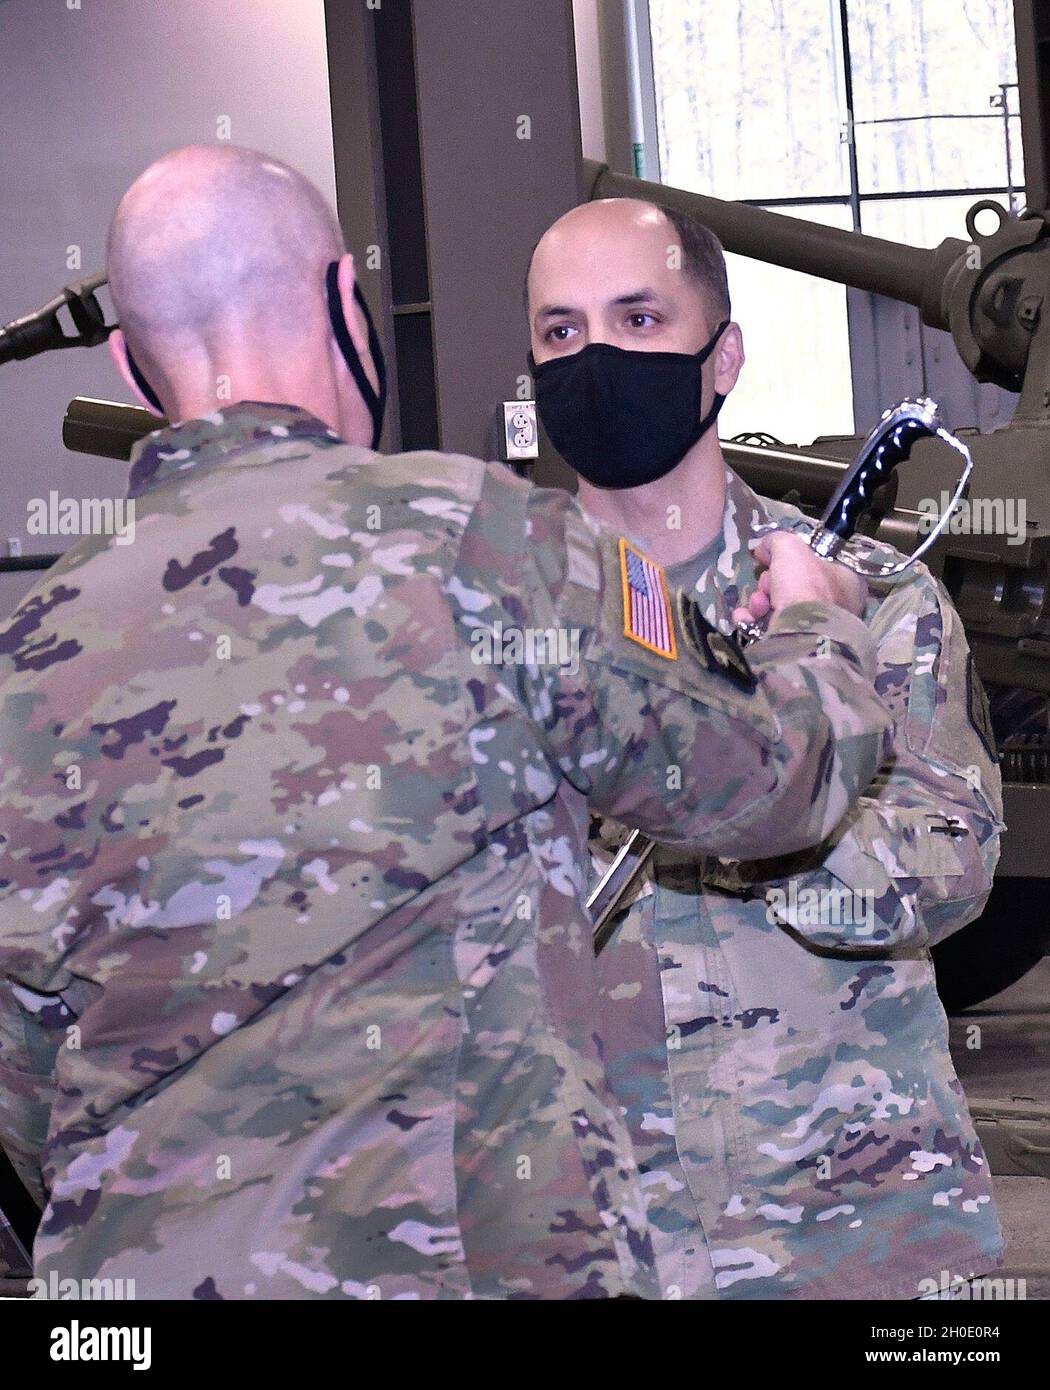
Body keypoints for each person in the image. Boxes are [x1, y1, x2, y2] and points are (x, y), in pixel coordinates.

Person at [0, 147, 890, 1300]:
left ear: (125, 366)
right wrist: (818, 630)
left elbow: (23, 1074)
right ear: (342, 304)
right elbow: (773, 780)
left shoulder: (33, 648)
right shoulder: (487, 539)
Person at [526, 196, 1005, 1301]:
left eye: (639, 320)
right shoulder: (485, 628)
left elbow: (945, 873)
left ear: (721, 353)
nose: (597, 359)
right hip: (589, 1242)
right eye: (562, 333)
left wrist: (761, 778)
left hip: (855, 1229)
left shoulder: (872, 605)